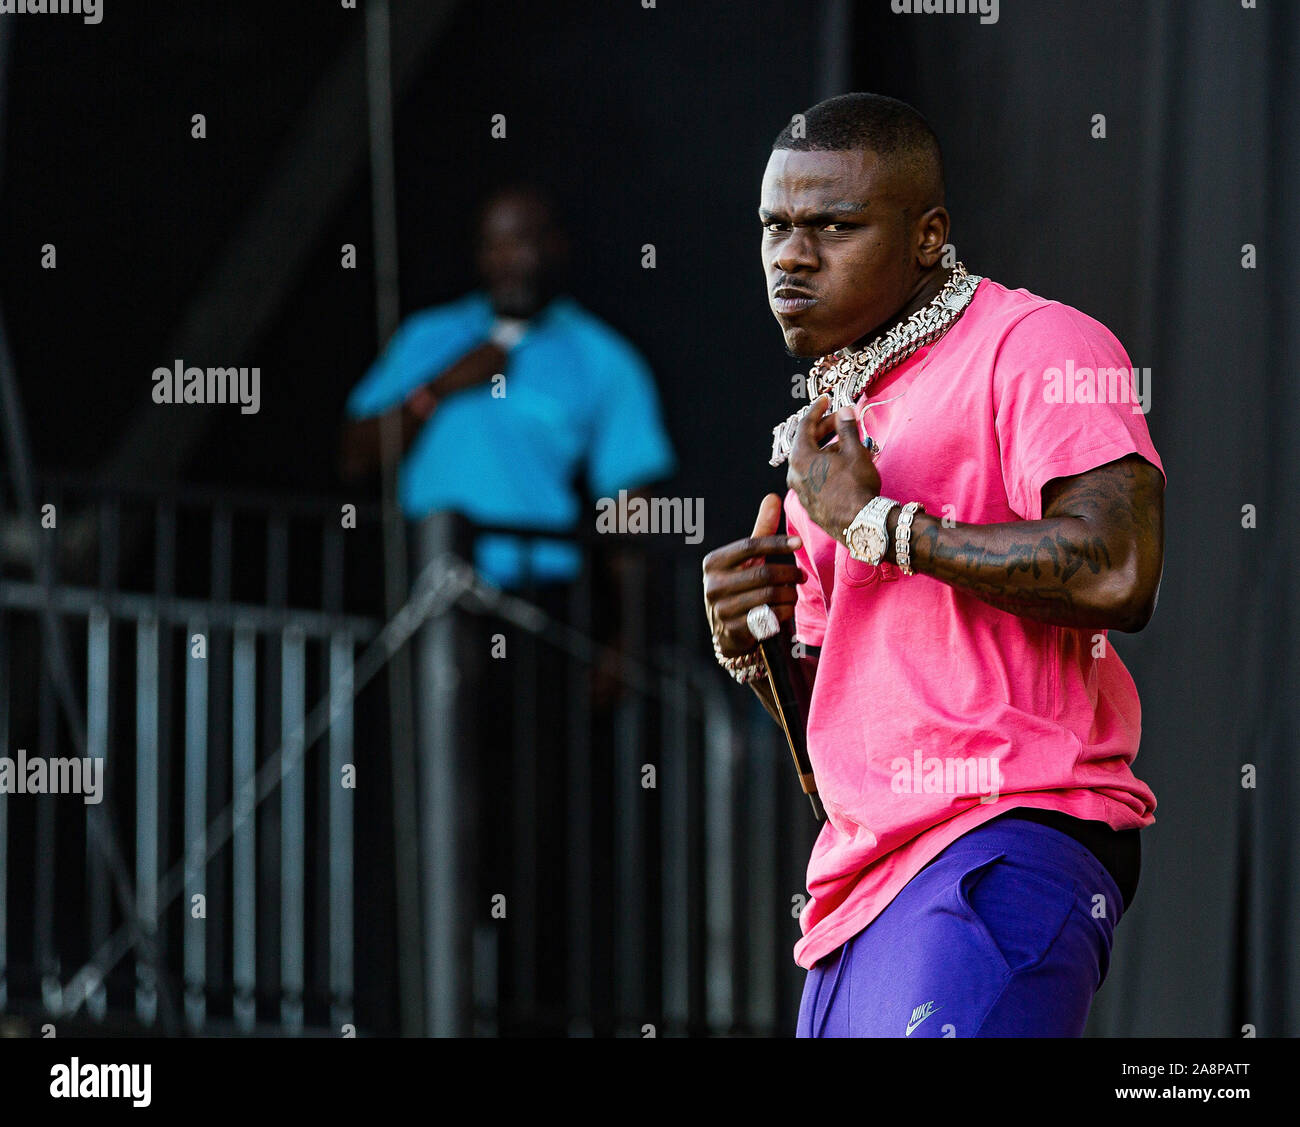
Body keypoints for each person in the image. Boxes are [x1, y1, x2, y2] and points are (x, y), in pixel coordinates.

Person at [702, 93, 1165, 1038]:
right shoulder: (830, 437)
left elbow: (1120, 568)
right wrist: (758, 644)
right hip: (857, 888)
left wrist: (882, 524)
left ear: (928, 236)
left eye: (835, 225)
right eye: (776, 227)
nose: (793, 256)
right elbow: (831, 762)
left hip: (1006, 836)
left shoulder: (1038, 347)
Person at [342, 182, 677, 1035]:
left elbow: (629, 510)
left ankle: (534, 1019)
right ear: (480, 253)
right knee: (409, 820)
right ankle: (398, 1014)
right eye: (497, 242)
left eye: (527, 240)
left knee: (537, 834)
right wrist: (436, 390)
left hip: (536, 615)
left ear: (555, 248)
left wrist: (625, 638)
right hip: (421, 611)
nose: (511, 257)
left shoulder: (599, 358)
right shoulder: (430, 337)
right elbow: (352, 455)